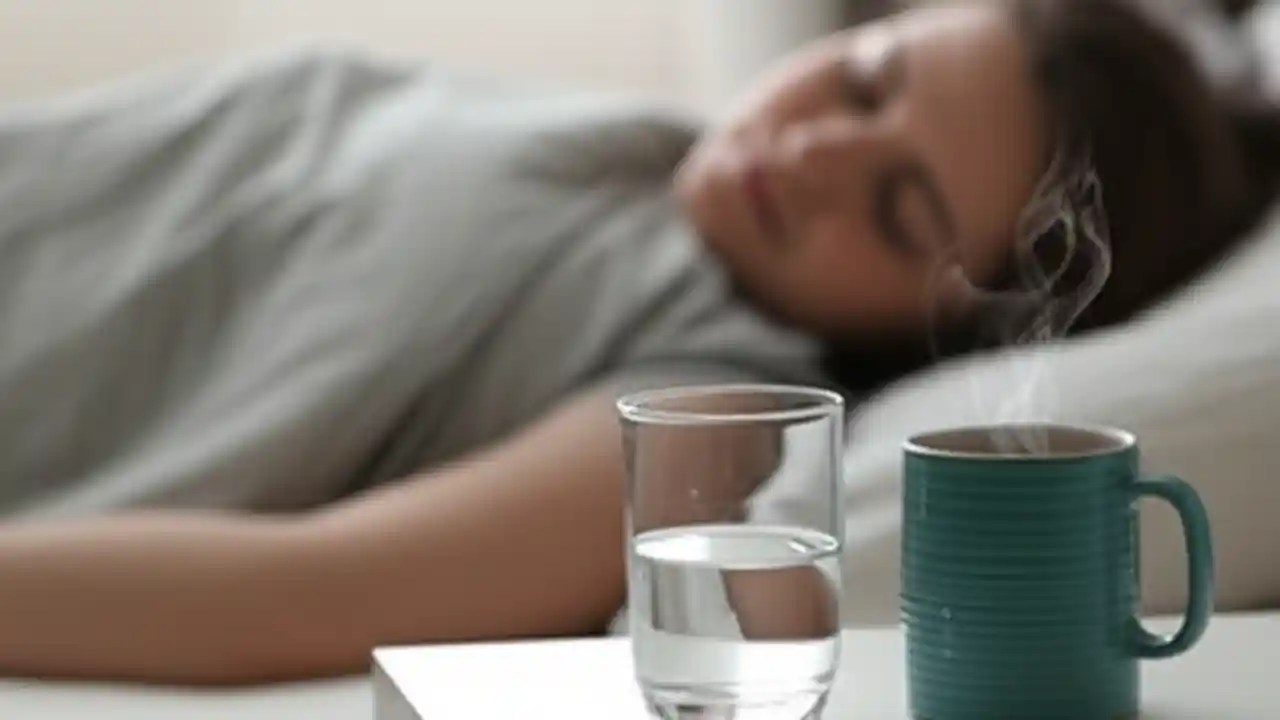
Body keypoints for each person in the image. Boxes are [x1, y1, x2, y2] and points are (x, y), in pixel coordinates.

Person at [0, 0, 1274, 684]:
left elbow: (299, 599)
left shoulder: (710, 415)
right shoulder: (636, 154)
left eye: (897, 212)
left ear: (940, 332)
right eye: (864, 81)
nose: (813, 152)